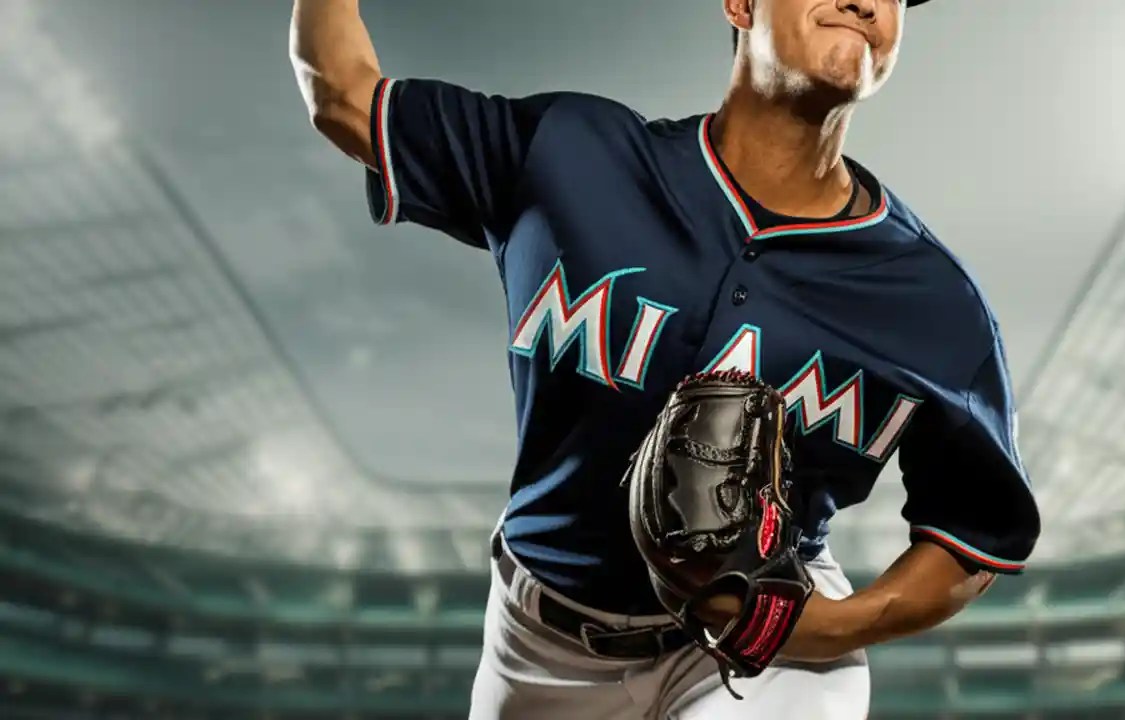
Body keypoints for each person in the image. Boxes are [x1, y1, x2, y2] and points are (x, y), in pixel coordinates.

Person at [289, 0, 1041, 717]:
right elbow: (345, 96)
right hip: (542, 643)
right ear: (740, 5)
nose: (862, 2)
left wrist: (826, 627)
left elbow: (972, 535)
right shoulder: (570, 152)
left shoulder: (932, 301)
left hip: (767, 655)